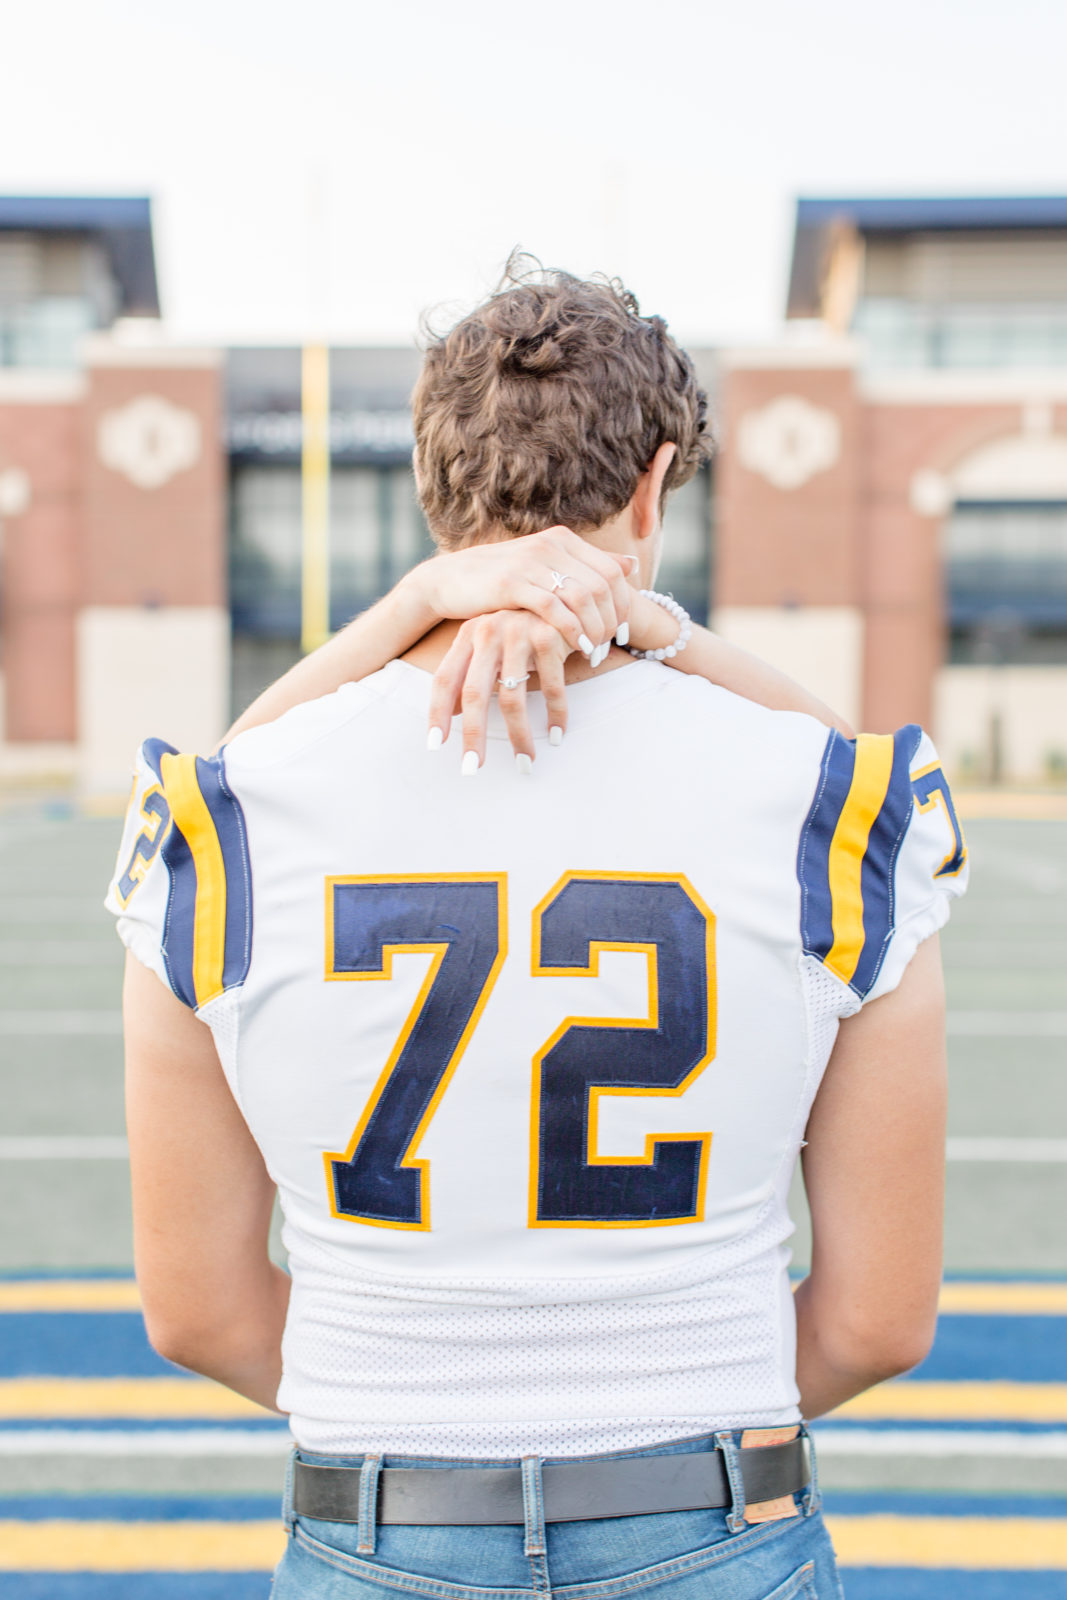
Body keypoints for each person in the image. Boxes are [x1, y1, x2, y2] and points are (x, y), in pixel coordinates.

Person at [107, 262, 966, 1600]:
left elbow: (199, 1311)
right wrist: (655, 628)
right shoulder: (834, 809)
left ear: (425, 484)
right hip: (709, 1519)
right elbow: (875, 1320)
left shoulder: (221, 825)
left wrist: (404, 616)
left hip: (374, 1532)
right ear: (654, 485)